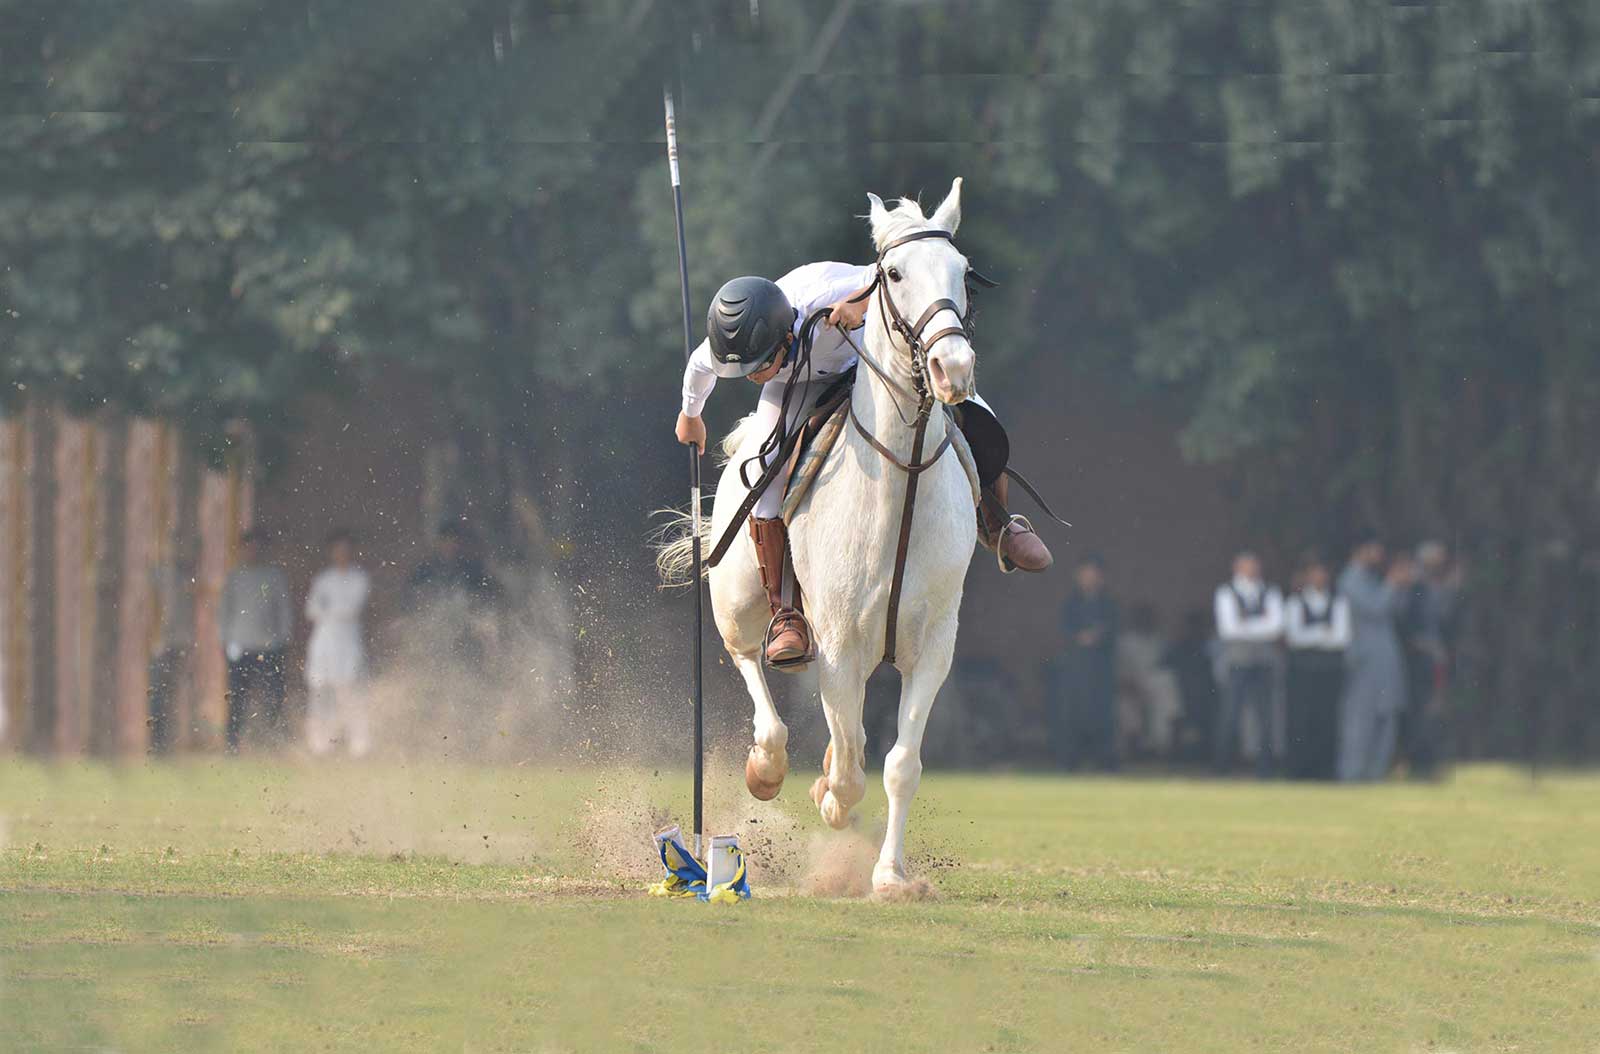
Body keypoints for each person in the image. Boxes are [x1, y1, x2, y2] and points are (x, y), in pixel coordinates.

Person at [673, 264, 1052, 668]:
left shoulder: (823, 292)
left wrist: (860, 304)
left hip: (870, 359)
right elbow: (699, 368)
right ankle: (786, 614)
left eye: (759, 365)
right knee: (763, 469)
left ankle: (998, 525)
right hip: (797, 383)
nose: (751, 377)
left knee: (976, 411)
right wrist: (690, 416)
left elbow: (893, 275)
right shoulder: (733, 342)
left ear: (787, 335)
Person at [1336, 531, 1413, 782]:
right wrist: (1392, 582)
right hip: (1364, 660)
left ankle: (1376, 773)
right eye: (1374, 549)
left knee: (1386, 715)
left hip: (1385, 659)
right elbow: (1376, 607)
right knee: (1361, 719)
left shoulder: (1372, 578)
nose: (1379, 555)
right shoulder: (1350, 579)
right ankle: (1352, 774)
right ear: (1361, 550)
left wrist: (1402, 585)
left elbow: (1396, 610)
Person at [218, 526, 292, 751]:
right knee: (237, 697)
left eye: (257, 547)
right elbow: (224, 612)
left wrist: (284, 639)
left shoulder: (274, 577)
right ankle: (232, 742)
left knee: (273, 695)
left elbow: (284, 610)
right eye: (249, 547)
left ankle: (271, 741)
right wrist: (225, 641)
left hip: (270, 647)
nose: (253, 552)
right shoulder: (234, 577)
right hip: (240, 647)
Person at [1213, 551, 1284, 777]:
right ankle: (1223, 767)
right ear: (1237, 568)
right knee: (1230, 713)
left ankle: (1265, 769)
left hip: (1264, 661)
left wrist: (1246, 623)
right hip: (1238, 660)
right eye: (1247, 566)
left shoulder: (1270, 591)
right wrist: (1261, 624)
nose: (1252, 570)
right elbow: (1228, 629)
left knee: (1266, 716)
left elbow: (1276, 627)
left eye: (1254, 565)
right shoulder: (1226, 592)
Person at [304, 529, 372, 758]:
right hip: (324, 641)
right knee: (320, 692)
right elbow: (311, 610)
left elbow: (352, 609)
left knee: (352, 691)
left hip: (348, 642)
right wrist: (331, 611)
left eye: (345, 549)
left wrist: (328, 610)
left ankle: (359, 744)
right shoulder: (322, 579)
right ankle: (320, 744)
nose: (341, 554)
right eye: (337, 550)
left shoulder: (359, 578)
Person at [1284, 551, 1350, 780]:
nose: (1319, 577)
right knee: (1301, 719)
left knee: (1327, 719)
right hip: (1303, 670)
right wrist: (1323, 632)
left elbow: (1341, 638)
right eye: (1314, 573)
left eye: (1322, 573)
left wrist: (1312, 635)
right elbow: (1295, 638)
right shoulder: (1295, 603)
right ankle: (1299, 771)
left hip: (1329, 670)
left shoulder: (1338, 603)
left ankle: (1325, 771)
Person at [1397, 541, 1457, 778]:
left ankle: (1429, 762)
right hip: (1419, 660)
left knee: (1433, 711)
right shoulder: (1415, 589)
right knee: (1421, 713)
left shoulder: (1434, 588)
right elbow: (1407, 624)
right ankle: (1419, 763)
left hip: (1434, 659)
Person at [1057, 555, 1119, 771]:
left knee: (1102, 714)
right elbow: (1064, 631)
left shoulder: (1109, 605)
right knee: (1073, 714)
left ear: (1101, 577)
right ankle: (1070, 762)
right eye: (1085, 574)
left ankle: (1106, 762)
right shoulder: (1070, 605)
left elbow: (1114, 631)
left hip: (1101, 668)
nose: (1089, 579)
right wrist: (1079, 637)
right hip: (1076, 668)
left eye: (1093, 575)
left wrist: (1098, 636)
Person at [146, 546, 197, 754]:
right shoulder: (160, 575)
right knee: (159, 695)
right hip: (162, 645)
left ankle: (175, 742)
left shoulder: (188, 578)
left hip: (180, 644)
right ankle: (159, 742)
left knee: (174, 694)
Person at [1161, 608, 1220, 764]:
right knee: (1181, 718)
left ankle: (1201, 755)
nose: (1195, 630)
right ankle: (1183, 756)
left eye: (1198, 626)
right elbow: (1164, 665)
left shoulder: (1208, 647)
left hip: (1204, 696)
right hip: (1181, 694)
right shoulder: (1180, 646)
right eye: (1192, 626)